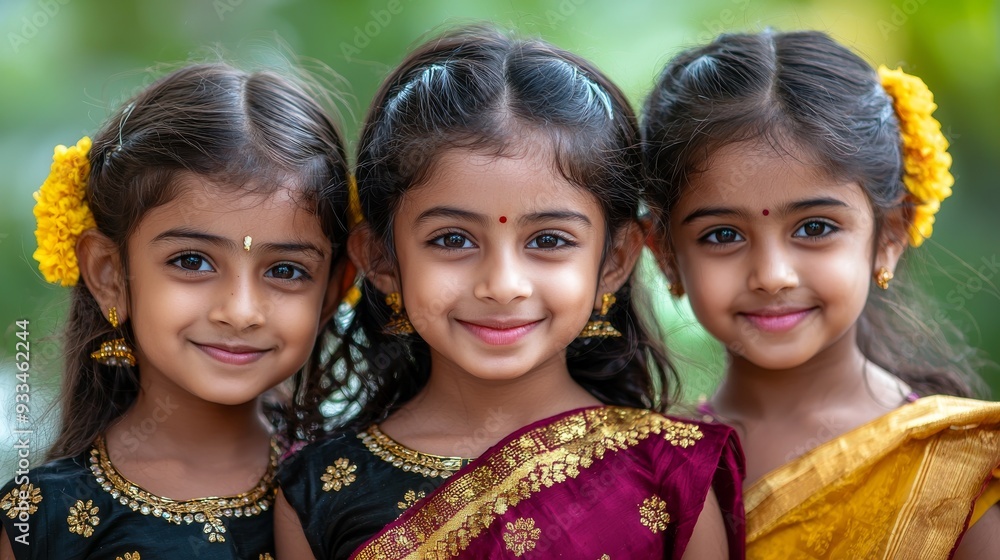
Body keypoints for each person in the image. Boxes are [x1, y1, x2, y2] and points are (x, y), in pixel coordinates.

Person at [275, 25, 745, 560]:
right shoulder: (316, 491)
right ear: (381, 260)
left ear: (614, 260)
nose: (502, 285)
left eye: (548, 240)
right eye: (452, 240)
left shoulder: (671, 473)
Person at [642, 29, 1000, 559]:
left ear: (890, 236)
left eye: (814, 228)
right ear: (665, 253)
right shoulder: (640, 474)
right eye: (723, 235)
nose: (773, 275)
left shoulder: (962, 468)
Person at [0, 62, 354, 559]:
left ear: (333, 291)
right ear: (109, 275)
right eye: (192, 261)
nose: (241, 311)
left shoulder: (351, 485)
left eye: (286, 271)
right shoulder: (42, 518)